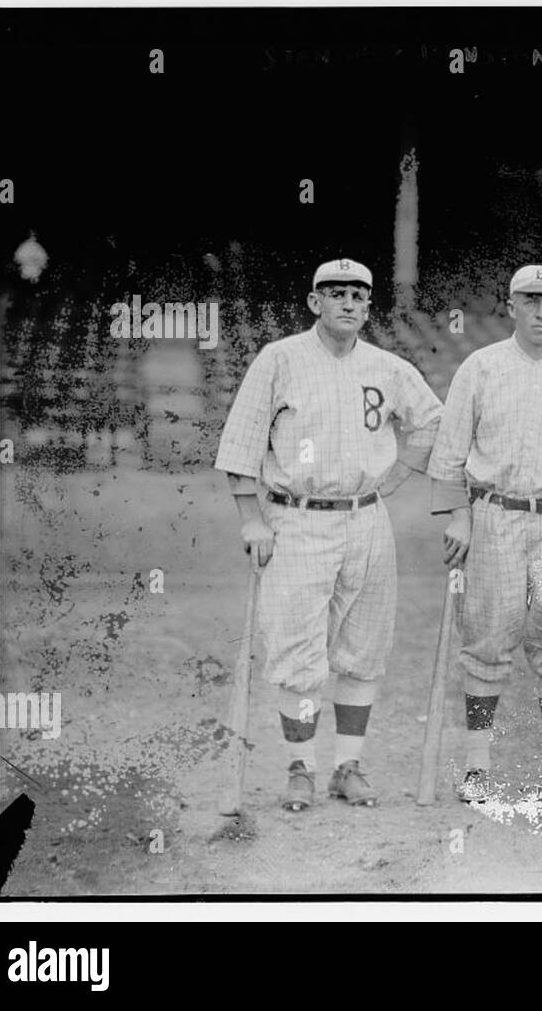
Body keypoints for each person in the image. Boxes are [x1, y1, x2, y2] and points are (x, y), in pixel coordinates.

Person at [215, 258, 443, 811]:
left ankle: (347, 766)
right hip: (297, 518)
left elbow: (436, 422)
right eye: (335, 293)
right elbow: (243, 439)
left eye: (358, 295)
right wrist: (251, 516)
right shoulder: (280, 359)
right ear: (314, 302)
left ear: (369, 305)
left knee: (364, 648)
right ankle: (302, 768)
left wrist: (402, 470)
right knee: (298, 649)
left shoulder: (388, 367)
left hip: (366, 518)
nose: (348, 303)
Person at [427, 265, 542, 803]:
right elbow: (449, 452)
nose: (540, 311)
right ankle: (478, 768)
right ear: (510, 305)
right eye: (529, 300)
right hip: (496, 513)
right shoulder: (480, 368)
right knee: (487, 639)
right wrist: (457, 516)